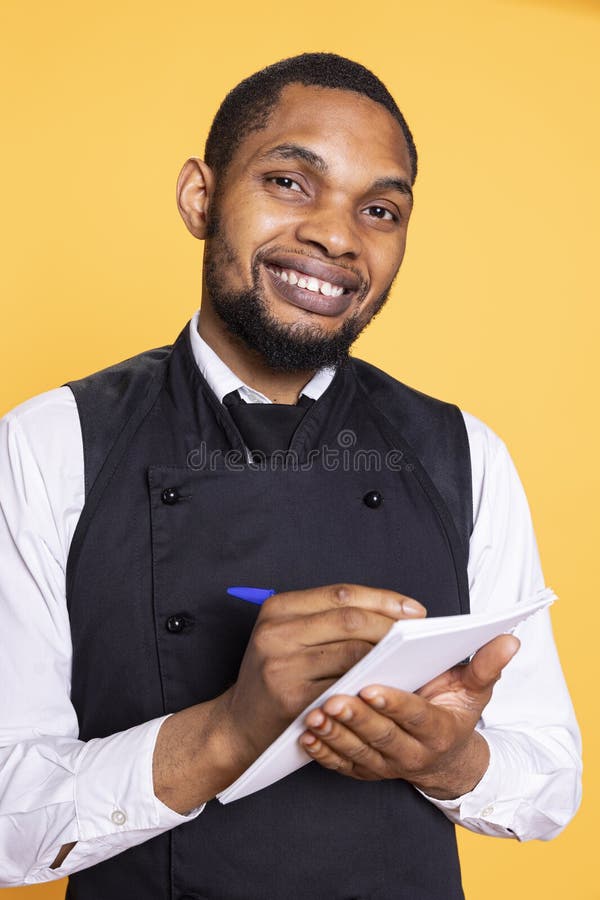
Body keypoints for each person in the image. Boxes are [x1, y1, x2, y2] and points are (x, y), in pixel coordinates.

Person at [0, 53, 581, 898]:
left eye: (379, 210)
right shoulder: (48, 445)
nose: (338, 237)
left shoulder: (464, 453)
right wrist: (229, 732)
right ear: (200, 198)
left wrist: (449, 758)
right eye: (289, 182)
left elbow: (551, 784)